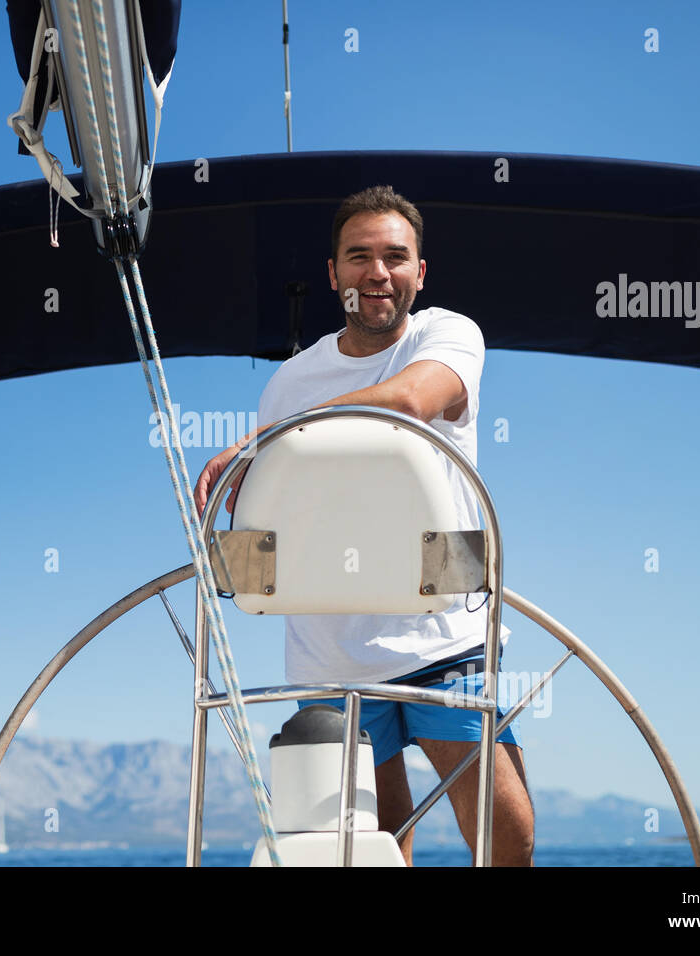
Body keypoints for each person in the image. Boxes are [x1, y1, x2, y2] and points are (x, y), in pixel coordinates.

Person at [192, 185, 534, 866]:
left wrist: (262, 441)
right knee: (377, 852)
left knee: (509, 842)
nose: (377, 273)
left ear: (420, 273)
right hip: (332, 659)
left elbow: (411, 402)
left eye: (394, 257)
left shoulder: (449, 334)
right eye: (358, 257)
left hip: (449, 635)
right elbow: (265, 521)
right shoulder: (290, 382)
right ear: (332, 274)